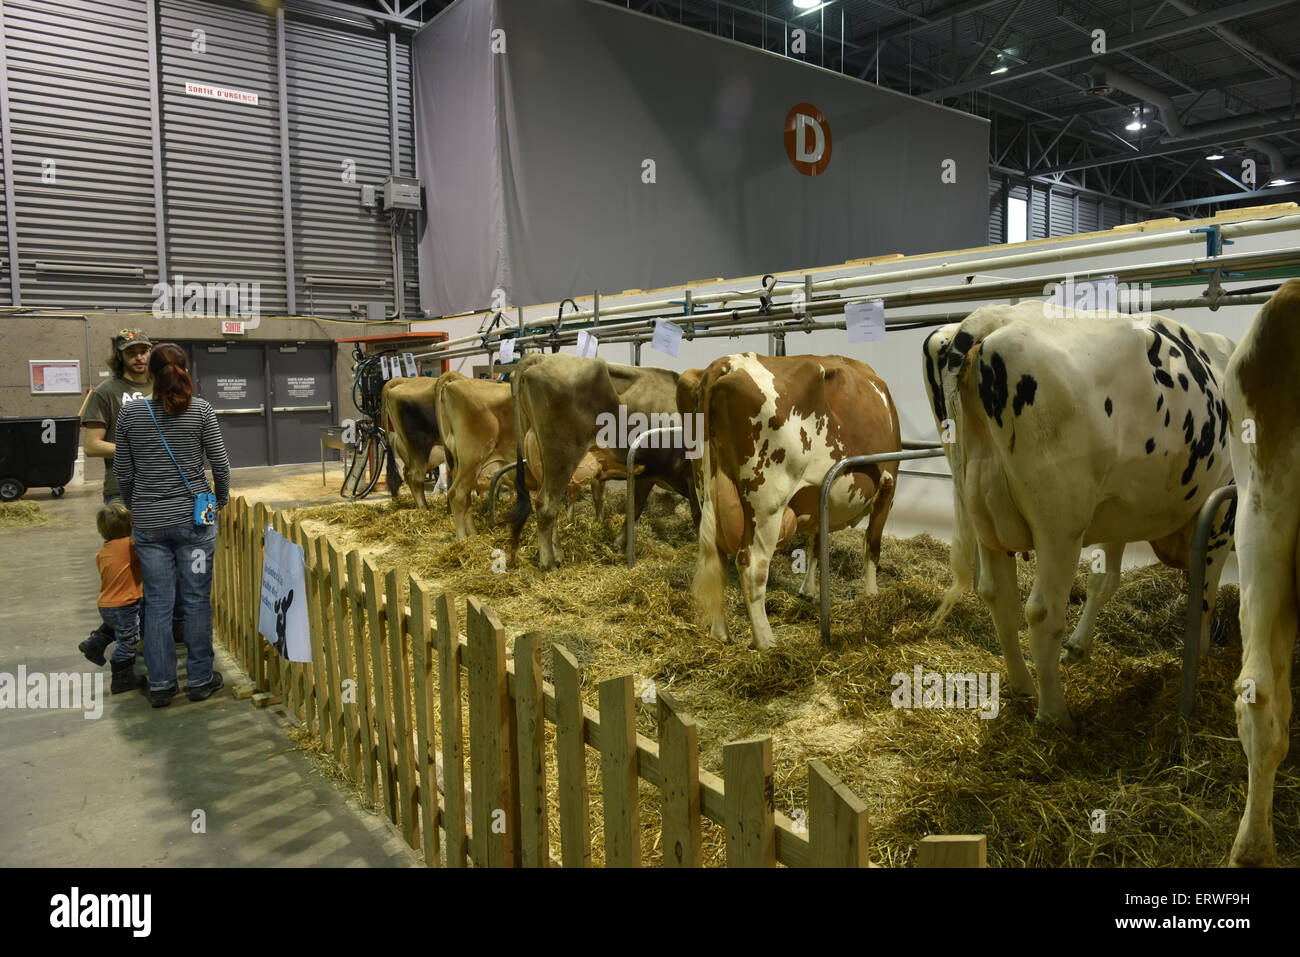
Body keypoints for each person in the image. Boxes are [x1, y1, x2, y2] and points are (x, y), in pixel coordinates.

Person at [114, 343, 231, 708]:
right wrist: (221, 499)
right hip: (195, 522)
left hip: (150, 525)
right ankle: (199, 679)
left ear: (149, 374)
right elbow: (221, 466)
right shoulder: (201, 411)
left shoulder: (129, 415)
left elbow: (123, 473)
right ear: (186, 371)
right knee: (196, 600)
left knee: (158, 603)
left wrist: (139, 505)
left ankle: (162, 684)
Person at [78, 330, 155, 665]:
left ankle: (111, 638)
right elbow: (92, 444)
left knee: (154, 563)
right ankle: (116, 637)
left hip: (158, 487)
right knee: (126, 568)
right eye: (131, 352)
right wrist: (132, 448)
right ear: (120, 356)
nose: (138, 357)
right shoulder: (107, 393)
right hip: (121, 488)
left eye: (144, 351)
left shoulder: (162, 388)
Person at [84, 503, 149, 694]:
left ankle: (95, 643)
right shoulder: (130, 546)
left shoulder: (103, 552)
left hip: (106, 603)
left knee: (116, 626)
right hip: (125, 604)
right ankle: (122, 679)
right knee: (129, 641)